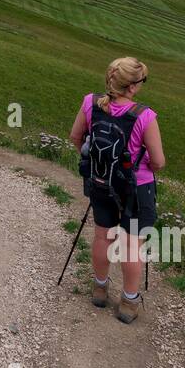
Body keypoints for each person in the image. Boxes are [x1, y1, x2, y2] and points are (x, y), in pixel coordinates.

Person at [69, 56, 165, 324]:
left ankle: (100, 289)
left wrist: (98, 165)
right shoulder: (145, 116)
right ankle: (128, 303)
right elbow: (158, 162)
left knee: (102, 237)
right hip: (136, 189)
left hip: (101, 183)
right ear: (132, 86)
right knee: (132, 246)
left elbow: (76, 137)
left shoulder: (90, 102)